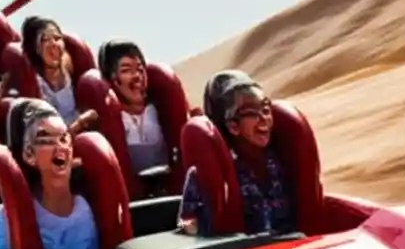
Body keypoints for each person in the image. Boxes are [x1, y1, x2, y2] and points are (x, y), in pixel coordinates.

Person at [0, 98, 99, 249]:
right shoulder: (7, 220)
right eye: (46, 139)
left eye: (63, 138)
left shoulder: (89, 203)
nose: (60, 147)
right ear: (28, 153)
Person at [177, 70, 296, 237]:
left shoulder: (282, 160)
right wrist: (198, 228)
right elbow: (183, 223)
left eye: (266, 109)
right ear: (232, 125)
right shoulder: (204, 173)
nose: (263, 118)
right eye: (251, 112)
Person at [97, 38, 169, 172]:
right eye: (126, 70)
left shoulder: (160, 111)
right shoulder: (105, 120)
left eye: (140, 69)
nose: (137, 76)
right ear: (111, 78)